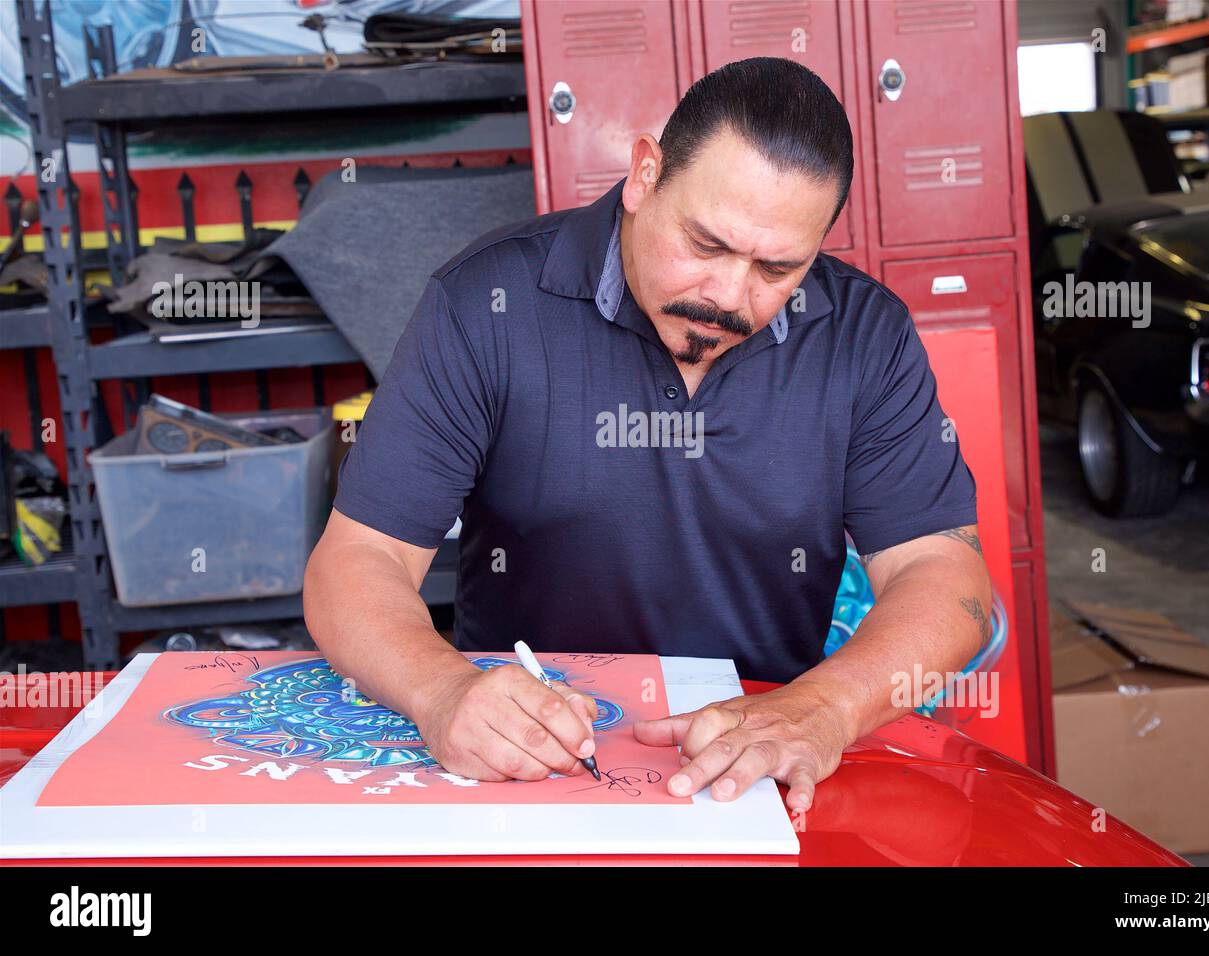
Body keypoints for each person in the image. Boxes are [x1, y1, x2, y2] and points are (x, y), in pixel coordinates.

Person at [304, 56, 991, 812]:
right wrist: (442, 692)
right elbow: (357, 558)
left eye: (777, 268)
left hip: (753, 769)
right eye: (705, 245)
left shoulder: (865, 337)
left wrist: (826, 706)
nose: (729, 297)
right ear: (643, 174)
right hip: (528, 760)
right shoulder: (488, 305)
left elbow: (943, 575)